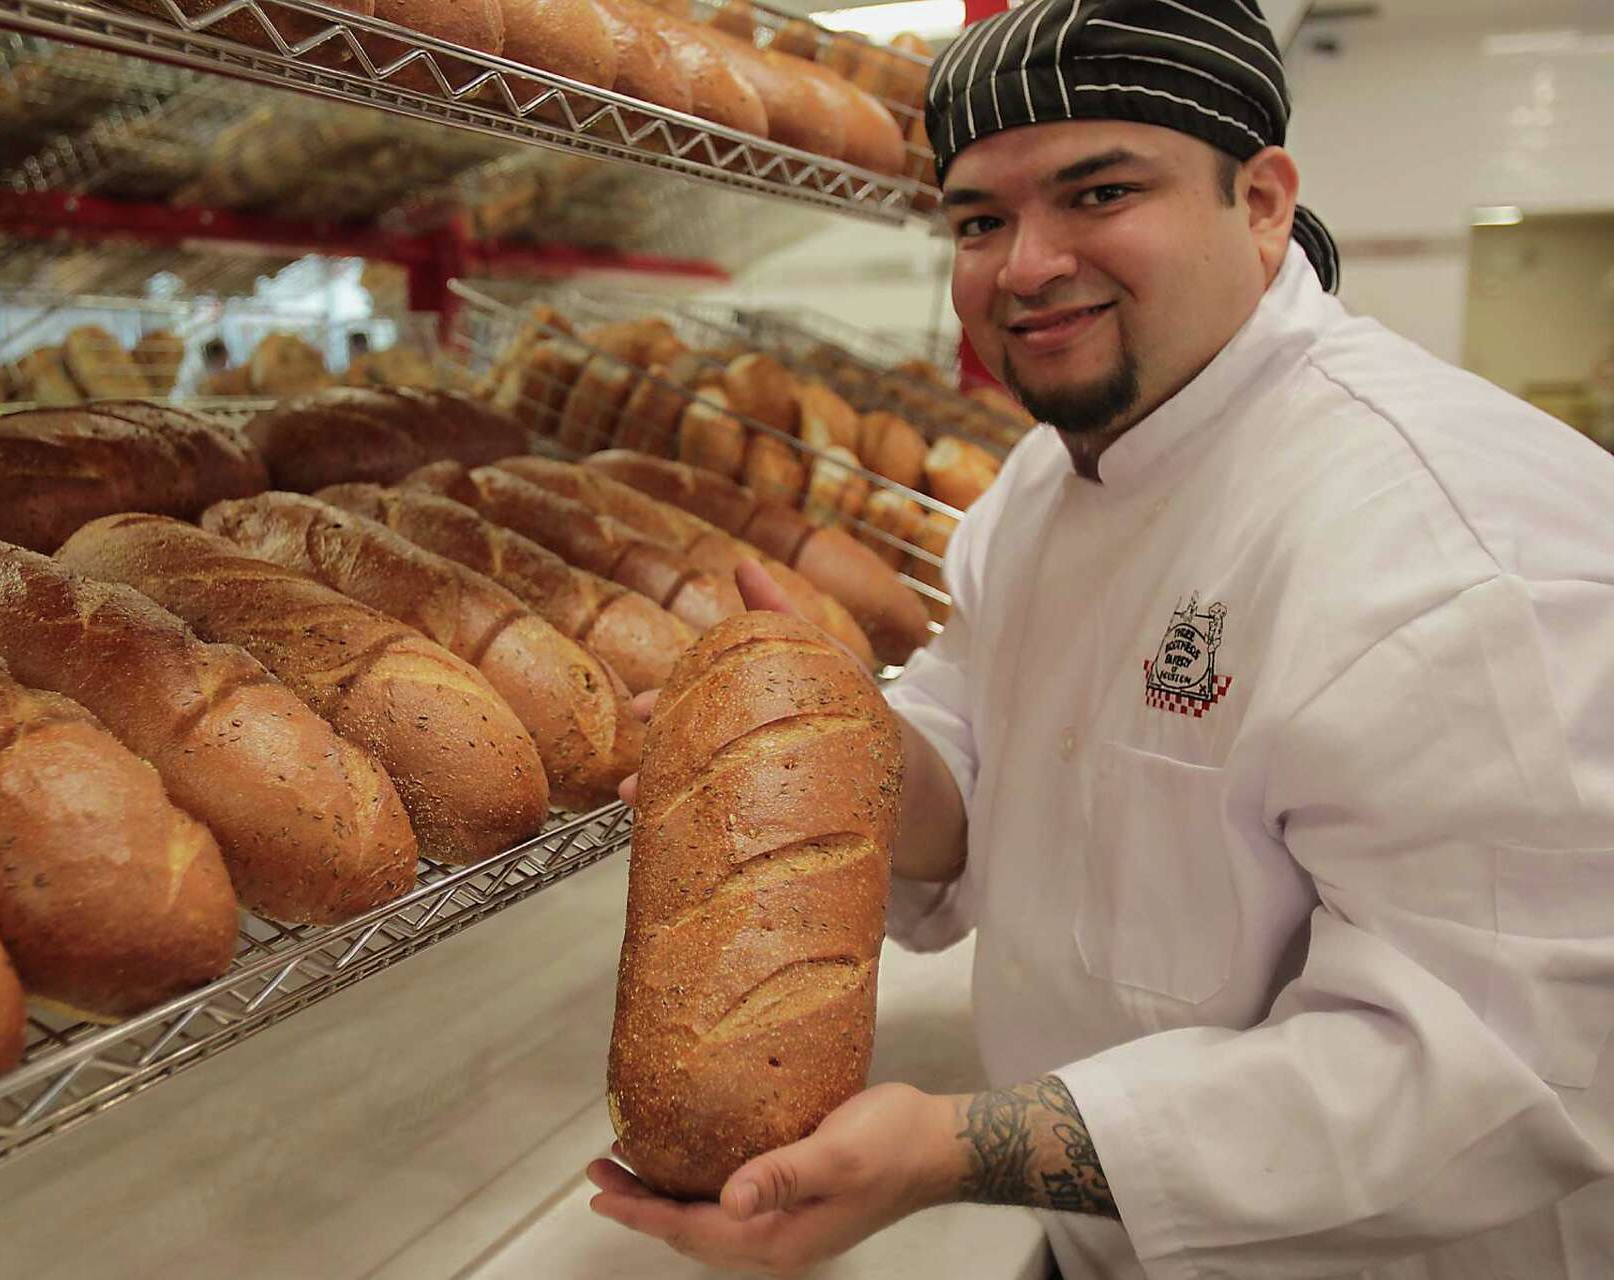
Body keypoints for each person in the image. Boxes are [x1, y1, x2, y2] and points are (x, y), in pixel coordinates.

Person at [585, 1, 1614, 1276]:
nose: (1024, 266)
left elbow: (1502, 1072)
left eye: (1099, 192)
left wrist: (955, 1150)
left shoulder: (1458, 544)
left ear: (1262, 202)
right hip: (1098, 1240)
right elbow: (989, 780)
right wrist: (843, 744)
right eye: (979, 221)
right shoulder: (1038, 485)